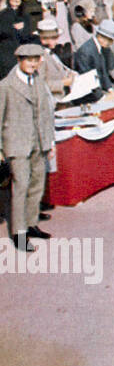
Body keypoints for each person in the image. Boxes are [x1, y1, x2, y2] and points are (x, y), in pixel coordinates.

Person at [0, 42, 57, 251]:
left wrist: (50, 142)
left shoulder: (38, 81)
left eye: (36, 60)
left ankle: (32, 223)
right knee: (21, 186)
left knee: (36, 184)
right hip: (16, 144)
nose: (33, 64)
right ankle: (19, 234)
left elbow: (46, 114)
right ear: (19, 61)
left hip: (38, 142)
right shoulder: (6, 85)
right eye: (29, 61)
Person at [73, 19, 114, 102]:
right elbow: (87, 79)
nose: (111, 44)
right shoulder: (86, 51)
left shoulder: (101, 49)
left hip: (98, 93)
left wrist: (110, 89)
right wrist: (103, 98)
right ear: (103, 38)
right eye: (111, 40)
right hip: (87, 98)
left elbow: (103, 72)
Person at [36, 19, 75, 99]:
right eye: (54, 38)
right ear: (44, 39)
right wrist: (63, 83)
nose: (57, 41)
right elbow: (39, 86)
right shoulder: (40, 57)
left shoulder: (51, 53)